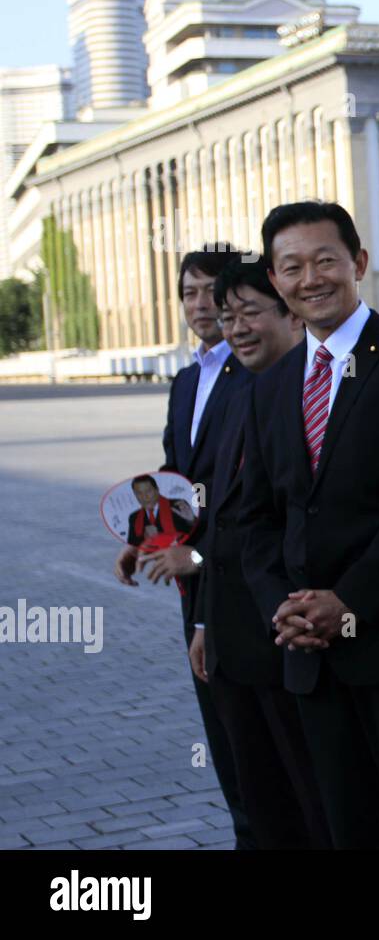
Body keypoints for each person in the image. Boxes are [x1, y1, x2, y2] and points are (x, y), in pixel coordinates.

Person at [239, 200, 379, 849]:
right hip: (309, 659)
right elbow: (255, 519)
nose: (311, 278)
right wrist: (285, 605)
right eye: (292, 266)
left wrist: (349, 601)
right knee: (343, 830)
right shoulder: (270, 385)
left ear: (358, 262)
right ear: (276, 280)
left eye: (325, 259)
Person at [111, 244, 253, 848]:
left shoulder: (255, 372)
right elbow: (177, 477)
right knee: (221, 733)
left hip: (237, 580)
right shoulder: (187, 379)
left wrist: (196, 557)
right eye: (189, 293)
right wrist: (142, 533)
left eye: (211, 293)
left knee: (253, 739)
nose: (200, 305)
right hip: (191, 581)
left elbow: (241, 492)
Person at [187, 256, 331, 849]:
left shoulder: (318, 400)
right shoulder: (237, 396)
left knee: (313, 807)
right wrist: (202, 617)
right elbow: (228, 525)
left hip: (299, 646)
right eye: (227, 317)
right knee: (258, 806)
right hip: (233, 644)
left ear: (292, 318)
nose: (236, 328)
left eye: (250, 313)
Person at [125, 475, 194, 547]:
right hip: (151, 557)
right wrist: (145, 538)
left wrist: (191, 521)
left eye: (148, 491)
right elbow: (132, 548)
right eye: (139, 493)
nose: (145, 497)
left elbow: (197, 536)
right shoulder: (134, 517)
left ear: (157, 490)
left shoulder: (178, 506)